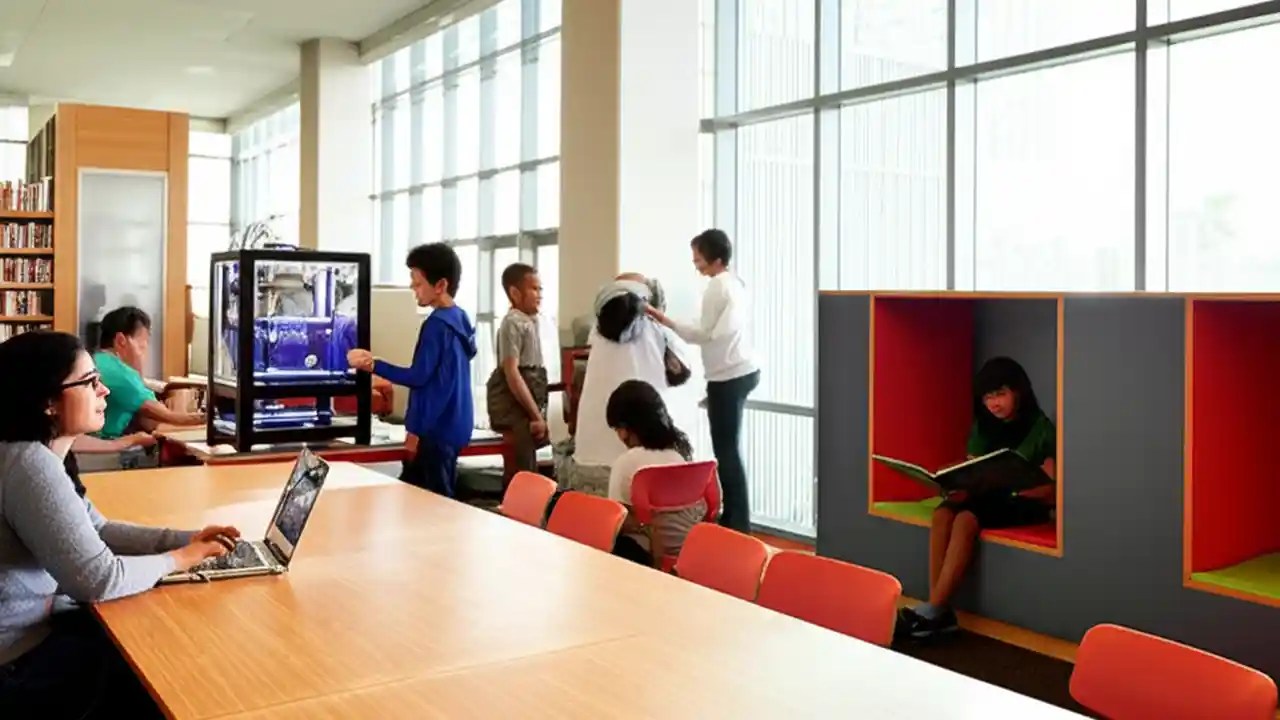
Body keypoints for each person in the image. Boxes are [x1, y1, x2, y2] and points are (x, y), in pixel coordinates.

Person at [0, 330, 240, 716]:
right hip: (17, 661)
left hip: (32, 635)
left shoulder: (37, 455)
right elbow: (98, 579)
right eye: (90, 383)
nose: (104, 392)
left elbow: (99, 530)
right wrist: (179, 559)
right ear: (48, 402)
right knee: (156, 666)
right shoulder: (29, 465)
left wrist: (186, 539)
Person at [897, 356, 1056, 640]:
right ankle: (938, 609)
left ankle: (935, 609)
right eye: (987, 397)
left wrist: (1017, 487)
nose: (994, 403)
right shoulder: (983, 426)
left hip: (1023, 502)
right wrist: (953, 478)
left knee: (967, 519)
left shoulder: (1041, 428)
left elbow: (1051, 489)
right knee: (943, 513)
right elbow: (974, 467)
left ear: (1018, 391)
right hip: (988, 498)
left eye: (1001, 394)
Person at [647, 229, 758, 533]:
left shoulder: (717, 288)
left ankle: (737, 523)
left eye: (698, 257)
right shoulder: (736, 283)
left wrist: (663, 319)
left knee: (727, 451)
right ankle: (736, 519)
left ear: (715, 258)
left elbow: (705, 333)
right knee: (730, 449)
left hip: (728, 376)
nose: (695, 263)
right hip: (742, 372)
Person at [347, 243, 477, 498]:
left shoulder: (436, 325)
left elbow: (419, 377)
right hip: (457, 424)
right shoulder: (461, 319)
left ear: (440, 285)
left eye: (418, 284)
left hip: (435, 430)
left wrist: (373, 364)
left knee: (431, 501)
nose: (412, 289)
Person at [560, 275, 690, 497]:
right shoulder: (658, 331)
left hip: (591, 458)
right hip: (647, 458)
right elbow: (682, 373)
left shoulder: (596, 334)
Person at [605, 380, 705, 566]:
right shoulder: (678, 456)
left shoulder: (626, 464)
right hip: (688, 555)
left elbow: (615, 521)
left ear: (625, 429)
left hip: (647, 559)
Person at [93, 306, 204, 438]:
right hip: (103, 445)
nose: (143, 355)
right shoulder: (120, 374)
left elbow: (150, 420)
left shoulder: (97, 360)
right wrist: (213, 422)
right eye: (141, 346)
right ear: (121, 340)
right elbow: (176, 419)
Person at [486, 263, 549, 481]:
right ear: (514, 293)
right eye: (534, 289)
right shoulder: (513, 323)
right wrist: (535, 414)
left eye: (541, 289)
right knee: (523, 467)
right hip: (515, 408)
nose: (539, 295)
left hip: (531, 400)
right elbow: (512, 373)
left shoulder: (532, 322)